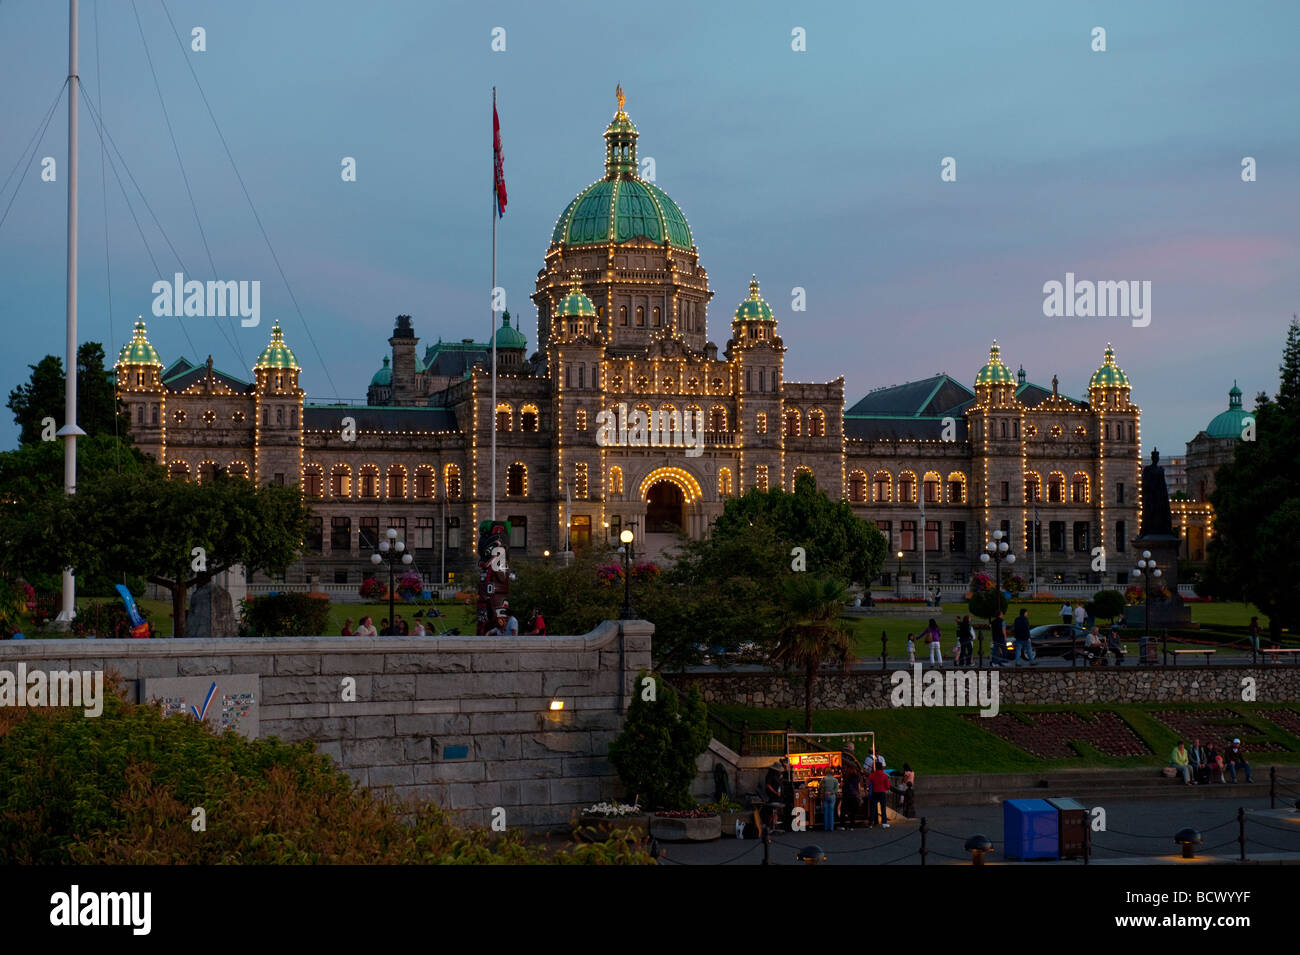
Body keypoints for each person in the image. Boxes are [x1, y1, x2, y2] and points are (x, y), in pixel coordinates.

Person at [867, 761, 892, 828]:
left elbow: (868, 782)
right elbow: (888, 786)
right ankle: (884, 822)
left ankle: (870, 823)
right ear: (881, 767)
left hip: (874, 792)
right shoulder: (884, 775)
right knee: (883, 808)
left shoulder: (872, 774)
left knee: (873, 808)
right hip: (882, 792)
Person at [841, 764, 863, 829]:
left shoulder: (846, 777)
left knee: (844, 810)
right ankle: (852, 825)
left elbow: (843, 786)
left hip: (847, 795)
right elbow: (858, 787)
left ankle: (843, 825)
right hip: (854, 795)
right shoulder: (857, 777)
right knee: (852, 812)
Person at [820, 767, 839, 832]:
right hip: (832, 796)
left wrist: (824, 792)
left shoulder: (824, 779)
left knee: (825, 812)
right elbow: (836, 789)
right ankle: (831, 827)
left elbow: (820, 787)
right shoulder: (835, 780)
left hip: (825, 795)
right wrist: (831, 792)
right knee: (831, 812)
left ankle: (825, 827)